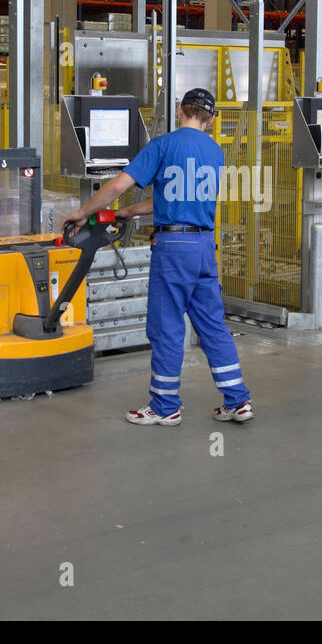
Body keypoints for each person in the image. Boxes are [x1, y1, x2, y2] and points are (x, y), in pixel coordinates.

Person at [59, 87, 252, 427]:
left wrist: (82, 212)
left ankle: (165, 406)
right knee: (212, 325)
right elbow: (176, 197)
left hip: (173, 249)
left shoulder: (163, 145)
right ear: (210, 118)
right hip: (205, 247)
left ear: (181, 110)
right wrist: (130, 212)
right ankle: (238, 400)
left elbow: (118, 186)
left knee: (166, 326)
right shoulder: (215, 152)